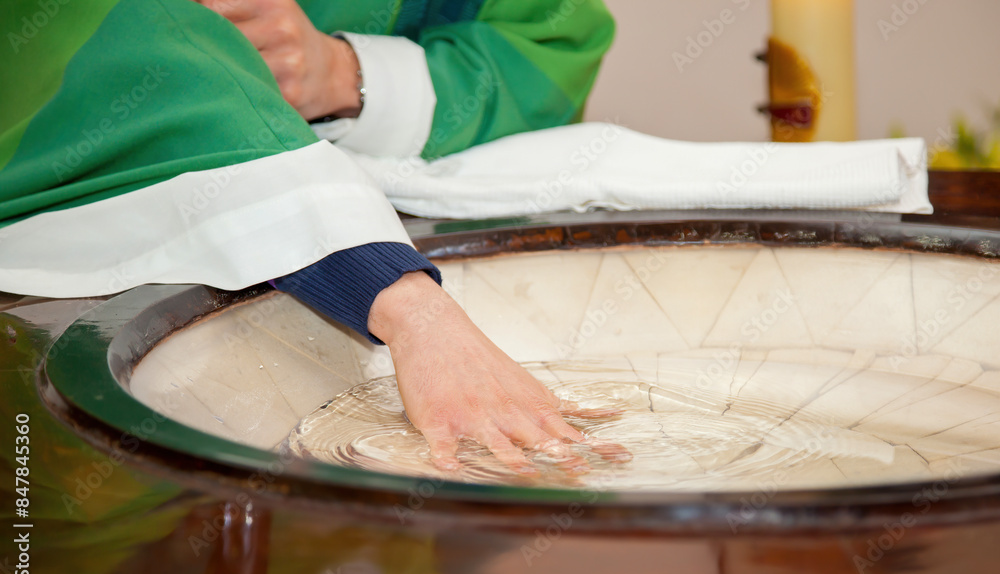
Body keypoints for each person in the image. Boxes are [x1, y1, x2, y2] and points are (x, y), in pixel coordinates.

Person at [0, 0, 616, 470]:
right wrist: (404, 302)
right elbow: (109, 51)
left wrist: (348, 74)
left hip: (389, 570)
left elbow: (551, 41)